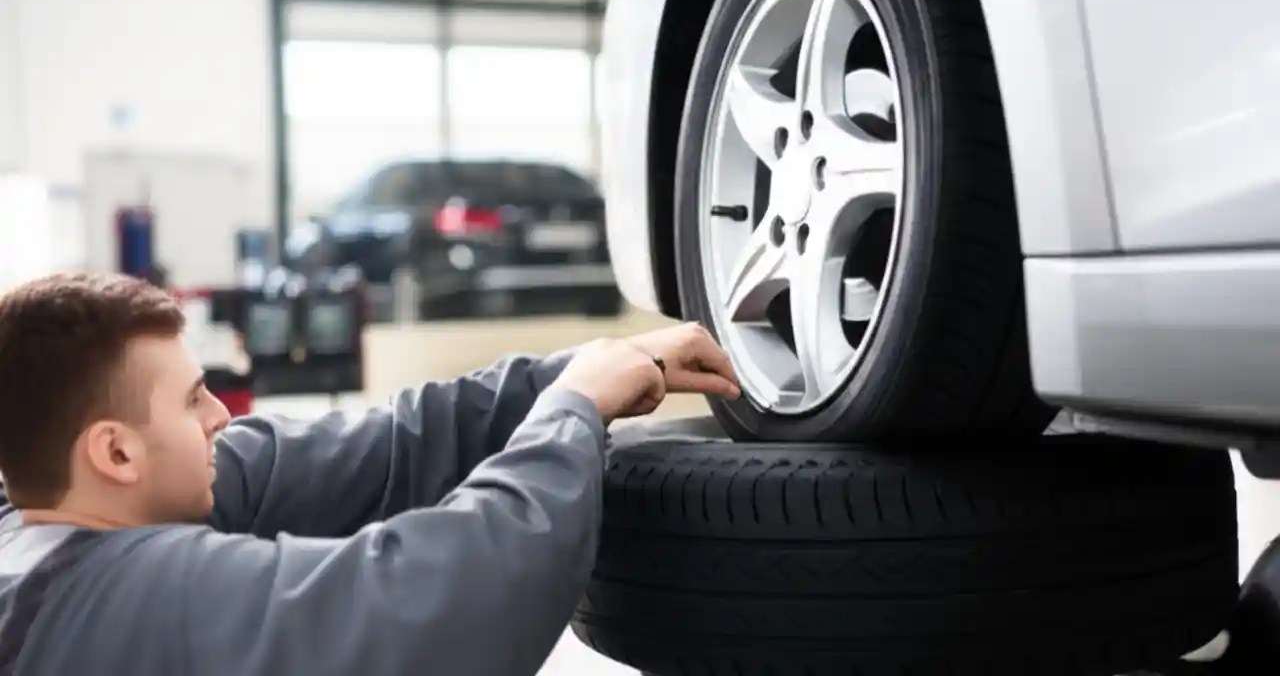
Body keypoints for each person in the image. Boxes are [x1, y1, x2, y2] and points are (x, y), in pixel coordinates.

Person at [0, 272, 740, 675]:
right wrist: (573, 412)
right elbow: (438, 593)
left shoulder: (40, 523)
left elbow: (381, 447)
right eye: (194, 398)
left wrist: (572, 373)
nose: (221, 416)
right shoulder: (125, 607)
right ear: (116, 453)